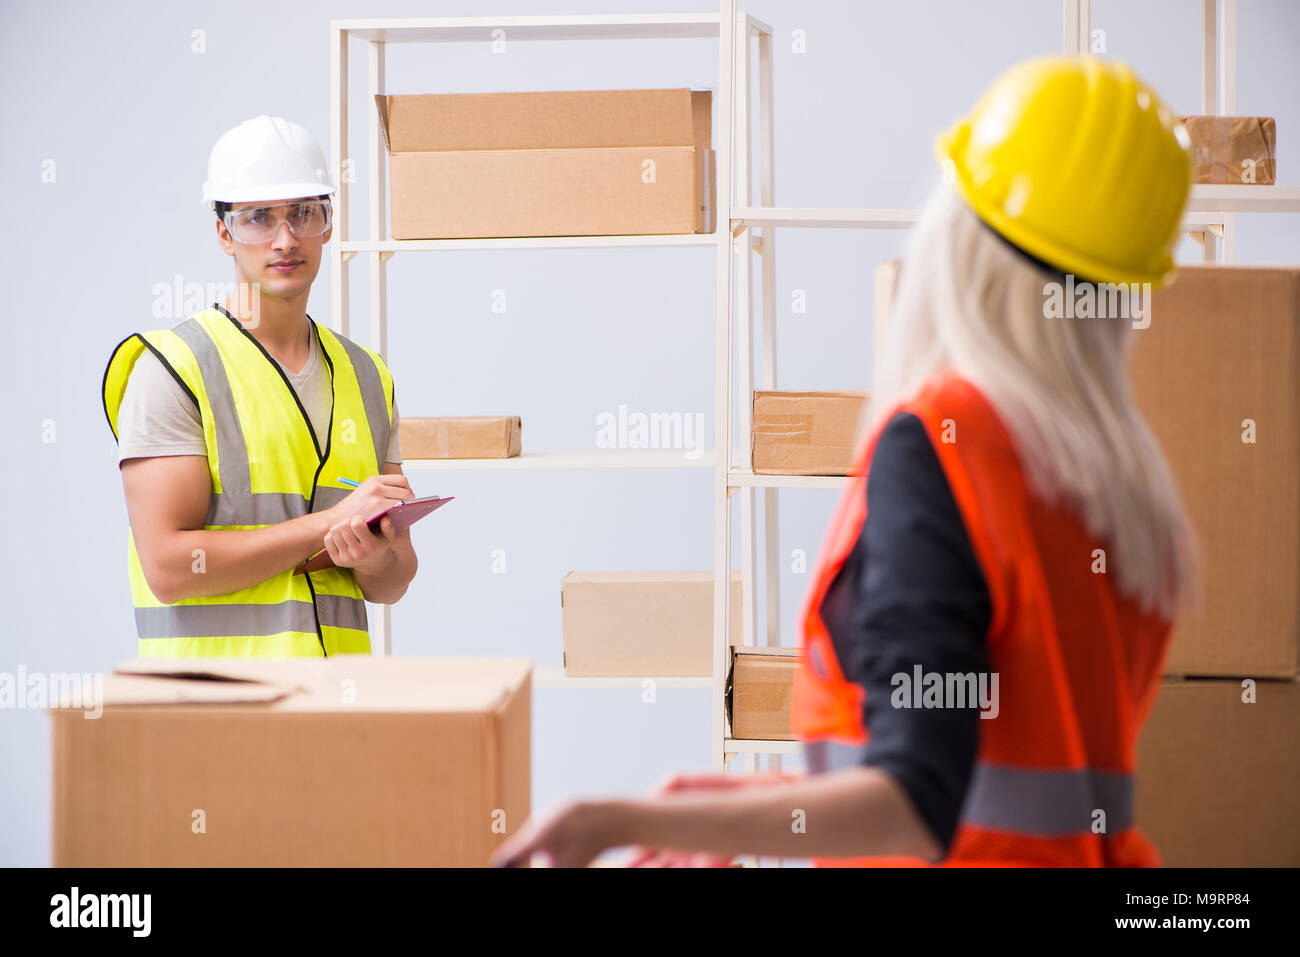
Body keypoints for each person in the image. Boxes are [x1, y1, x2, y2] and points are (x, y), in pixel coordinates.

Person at [492, 55, 1197, 867]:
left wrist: (604, 818)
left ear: (965, 235)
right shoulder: (1115, 482)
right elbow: (987, 771)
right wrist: (721, 803)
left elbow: (915, 803)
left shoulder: (943, 448)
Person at [103, 115, 417, 657]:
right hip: (214, 714)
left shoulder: (367, 375)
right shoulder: (176, 369)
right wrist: (328, 525)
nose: (285, 239)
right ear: (224, 232)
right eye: (257, 219)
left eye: (303, 214)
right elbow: (170, 569)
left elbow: (393, 581)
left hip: (334, 711)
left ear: (328, 222)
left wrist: (368, 554)